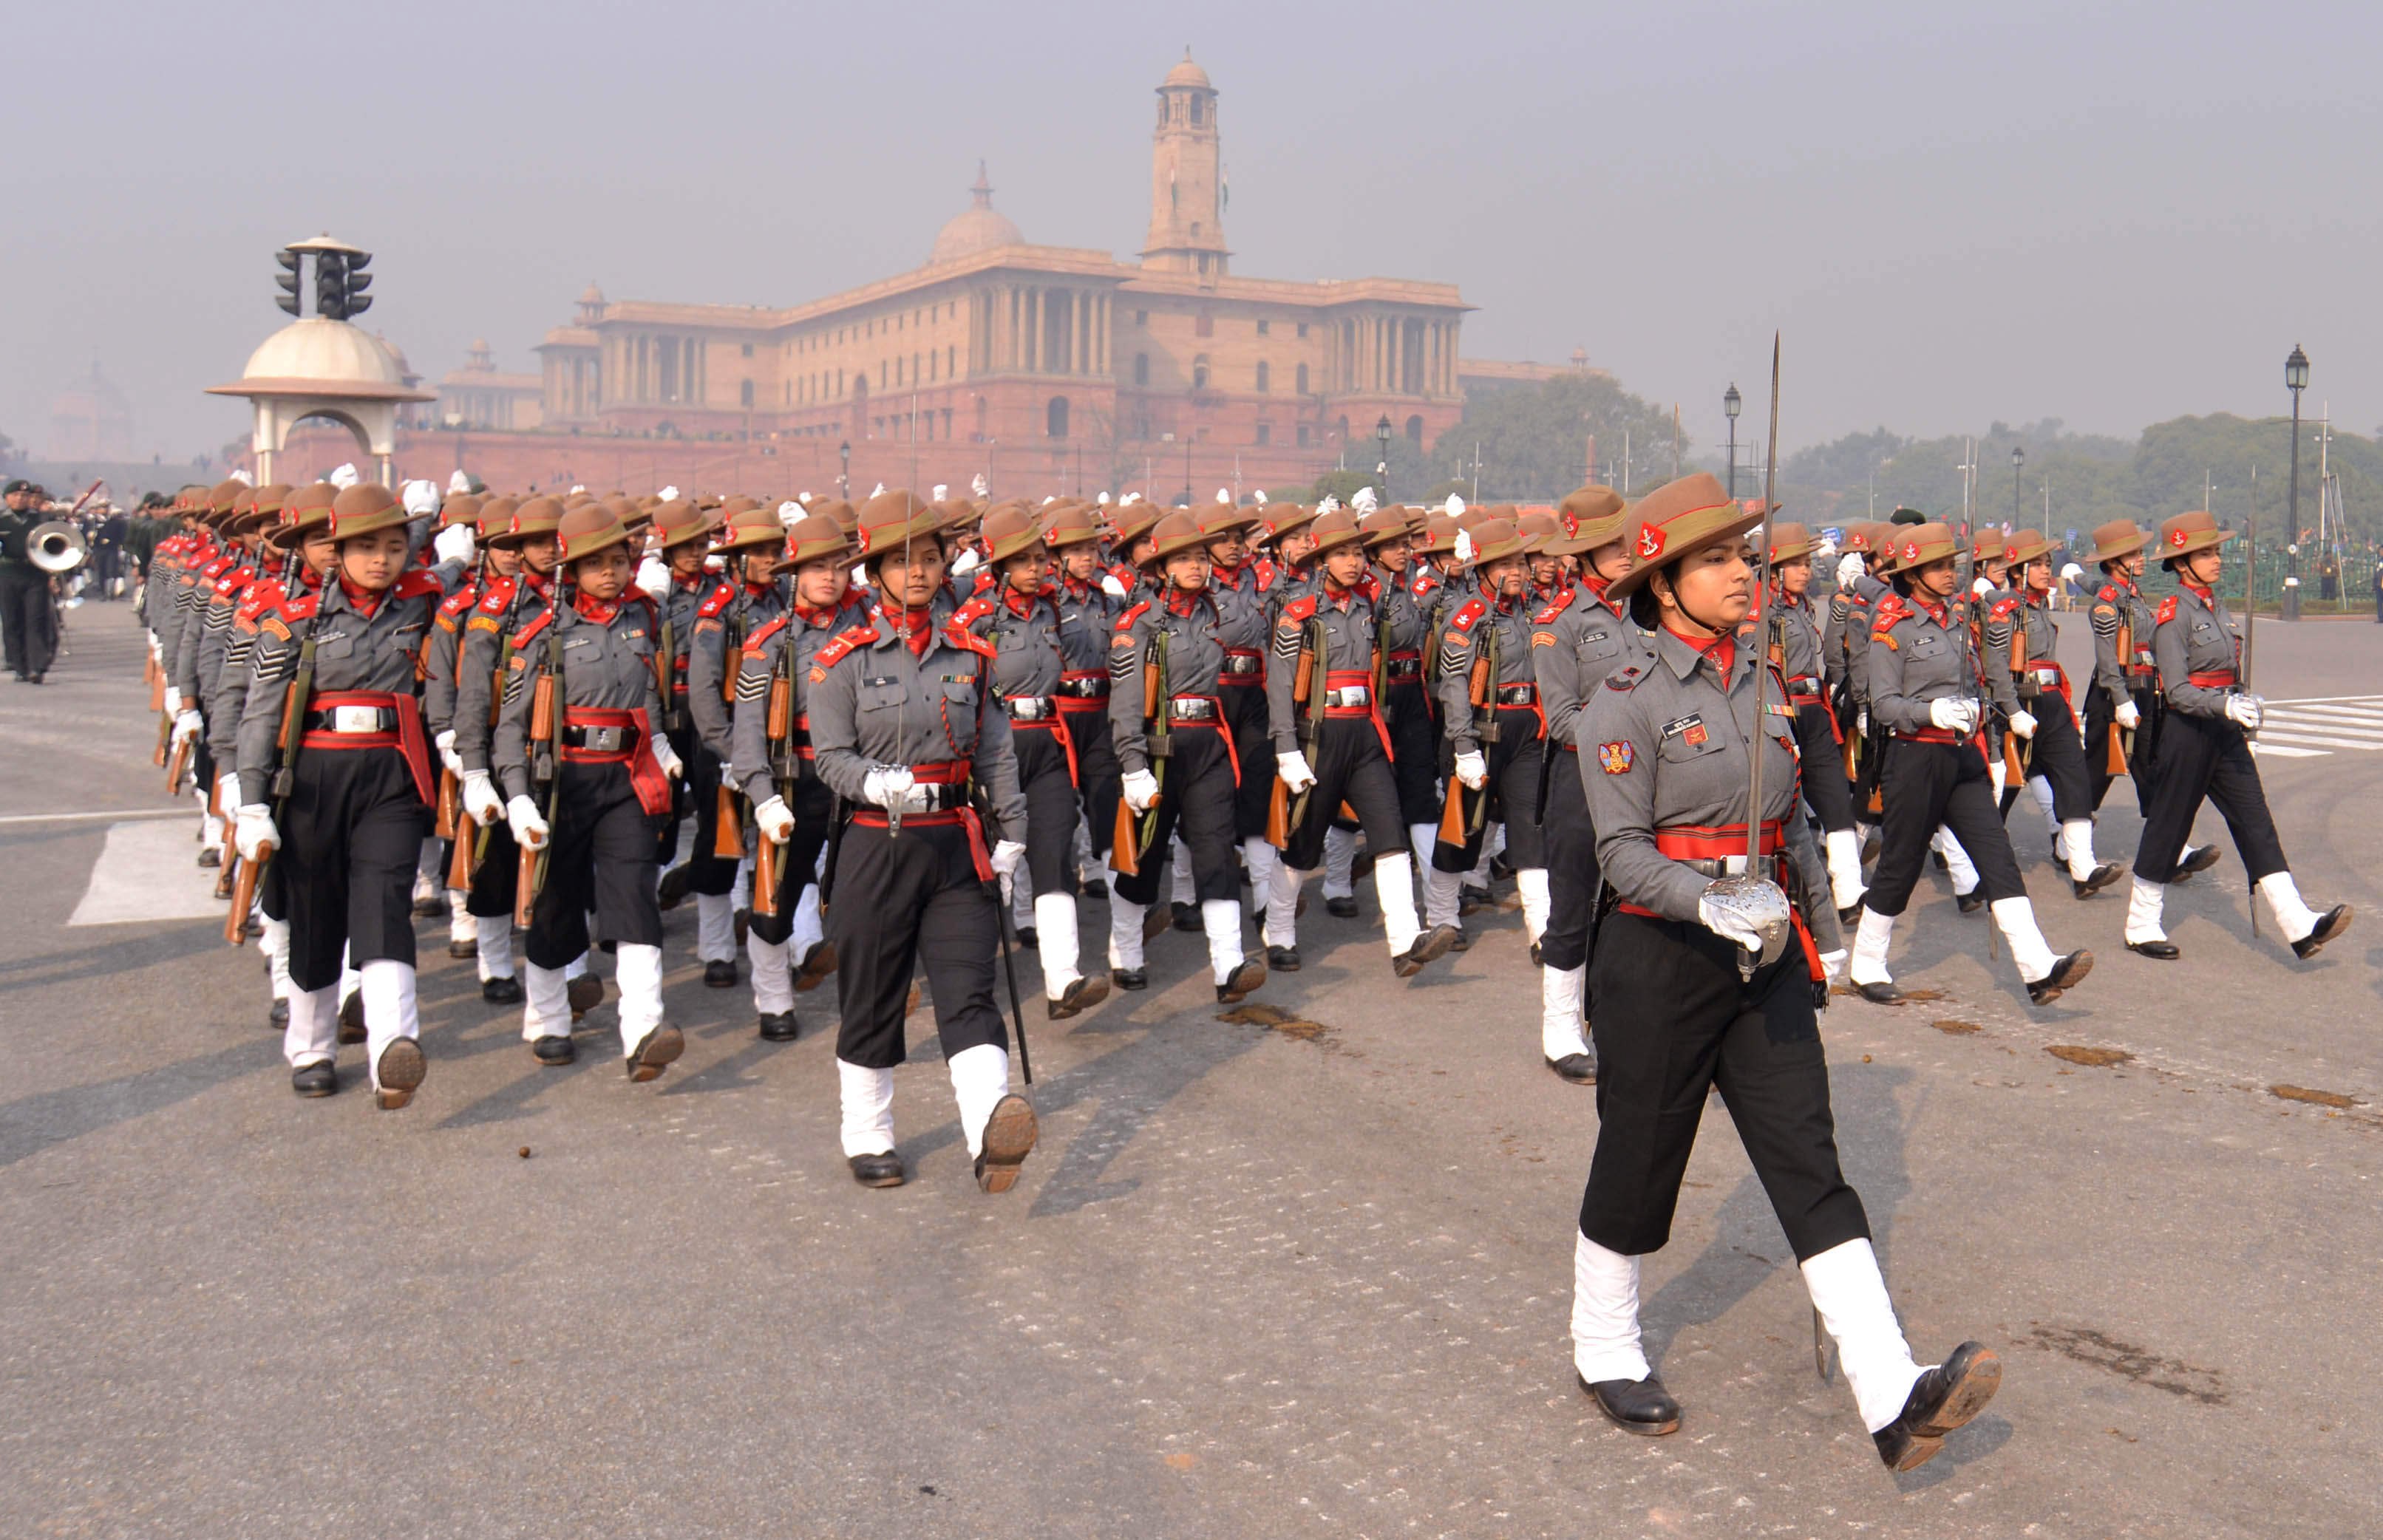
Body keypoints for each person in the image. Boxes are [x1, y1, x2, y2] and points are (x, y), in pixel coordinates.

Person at [1569, 472, 1997, 1472]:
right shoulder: (1622, 705)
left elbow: (1789, 823)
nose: (1742, 572)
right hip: (1658, 954)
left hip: (1763, 954)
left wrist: (1822, 932)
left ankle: (1893, 1394)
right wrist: (1704, 901)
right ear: (1662, 583)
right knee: (1640, 1154)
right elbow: (1621, 853)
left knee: (1810, 1158)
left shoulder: (1767, 687)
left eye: (1746, 555)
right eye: (1716, 558)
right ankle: (1604, 1347)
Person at [805, 489, 1036, 1192]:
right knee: (872, 992)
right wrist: (875, 784)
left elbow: (995, 751)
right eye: (902, 562)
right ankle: (869, 1133)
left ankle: (990, 1132)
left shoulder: (971, 653)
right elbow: (829, 756)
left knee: (969, 987)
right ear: (873, 574)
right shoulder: (840, 659)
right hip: (877, 843)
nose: (919, 573)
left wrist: (1014, 834)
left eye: (931, 560)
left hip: (954, 843)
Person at [231, 483, 447, 1108]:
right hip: (313, 777)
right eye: (364, 547)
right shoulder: (292, 617)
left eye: (393, 546)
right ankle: (313, 1045)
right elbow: (260, 713)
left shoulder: (425, 603)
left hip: (393, 771)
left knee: (385, 899)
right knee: (315, 911)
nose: (381, 560)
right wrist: (250, 801)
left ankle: (392, 1047)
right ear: (336, 551)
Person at [1846, 522, 2092, 1006]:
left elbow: (1981, 677)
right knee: (1899, 864)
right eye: (1937, 566)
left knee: (1996, 857)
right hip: (1915, 757)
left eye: (1951, 565)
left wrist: (1983, 710)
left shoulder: (1961, 619)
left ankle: (2037, 966)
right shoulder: (1891, 627)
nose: (1950, 574)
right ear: (1912, 574)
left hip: (1963, 757)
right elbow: (1884, 705)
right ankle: (1866, 962)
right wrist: (1930, 711)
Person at [492, 502, 687, 1078]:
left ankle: (643, 1029)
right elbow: (510, 724)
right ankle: (550, 1016)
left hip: (627, 775)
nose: (610, 572)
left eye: (618, 560)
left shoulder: (644, 618)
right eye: (594, 563)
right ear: (569, 571)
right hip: (563, 779)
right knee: (557, 899)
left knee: (633, 892)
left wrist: (665, 751)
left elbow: (648, 695)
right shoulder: (542, 633)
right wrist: (516, 794)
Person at [2121, 510, 2353, 961]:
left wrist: (2244, 707)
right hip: (2188, 732)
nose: (2217, 560)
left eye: (2216, 551)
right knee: (2169, 826)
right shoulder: (2172, 617)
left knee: (2256, 820)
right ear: (2182, 563)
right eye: (2206, 553)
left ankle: (2297, 922)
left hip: (2225, 730)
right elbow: (2178, 690)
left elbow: (2228, 672)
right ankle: (2140, 923)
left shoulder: (2216, 606)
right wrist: (2223, 704)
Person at [1262, 508, 1458, 977]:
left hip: (1366, 735)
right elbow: (1280, 684)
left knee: (1390, 834)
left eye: (1356, 553)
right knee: (1302, 841)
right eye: (1342, 553)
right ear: (1321, 560)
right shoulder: (1299, 615)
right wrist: (1286, 748)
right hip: (1319, 736)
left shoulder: (1371, 604)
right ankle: (1279, 930)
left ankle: (1405, 941)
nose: (1353, 562)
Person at [953, 505, 1111, 1018]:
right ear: (997, 566)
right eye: (1022, 560)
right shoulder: (974, 618)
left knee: (1053, 850)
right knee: (984, 860)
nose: (1037, 568)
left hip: (1047, 740)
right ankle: (969, 977)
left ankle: (1062, 980)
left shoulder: (1053, 610)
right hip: (995, 747)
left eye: (1041, 558)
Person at [1106, 511, 1268, 1002]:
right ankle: (1128, 950)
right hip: (1158, 749)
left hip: (1208, 746)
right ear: (1159, 569)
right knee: (1144, 853)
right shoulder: (1138, 624)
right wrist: (1132, 766)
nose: (1196, 566)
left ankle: (1229, 966)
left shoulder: (1217, 615)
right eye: (1183, 558)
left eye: (1201, 557)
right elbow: (1127, 702)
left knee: (1216, 850)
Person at [1528, 485, 1645, 1083]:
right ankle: (1561, 1030)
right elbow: (1562, 715)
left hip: (1647, 775)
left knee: (1640, 902)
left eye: (1624, 540)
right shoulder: (1556, 624)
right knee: (1572, 904)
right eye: (1608, 545)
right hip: (1583, 773)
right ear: (1580, 554)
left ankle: (1624, 1017)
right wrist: (1623, 743)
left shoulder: (1650, 608)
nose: (1624, 553)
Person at [736, 511, 866, 1040]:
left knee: (865, 894)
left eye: (837, 566)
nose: (829, 577)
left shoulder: (869, 630)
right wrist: (762, 796)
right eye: (816, 567)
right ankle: (773, 1000)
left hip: (856, 777)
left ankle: (865, 997)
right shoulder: (768, 643)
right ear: (793, 574)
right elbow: (748, 732)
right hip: (795, 778)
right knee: (776, 898)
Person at [1429, 517, 1550, 953]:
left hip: (1527, 734)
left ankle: (1542, 929)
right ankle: (1442, 915)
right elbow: (1454, 684)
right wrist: (1463, 746)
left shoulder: (1533, 609)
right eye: (1505, 564)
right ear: (1481, 571)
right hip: (1481, 733)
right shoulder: (1469, 616)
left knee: (1529, 826)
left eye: (1520, 562)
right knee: (1463, 828)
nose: (1516, 571)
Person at [1982, 530, 2124, 897]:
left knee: (2074, 779)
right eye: (2040, 565)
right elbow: (1995, 666)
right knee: (2004, 789)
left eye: (2049, 564)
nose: (2048, 571)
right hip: (2019, 703)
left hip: (2051, 702)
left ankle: (2083, 868)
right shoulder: (2005, 611)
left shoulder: (2041, 606)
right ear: (2019, 570)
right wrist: (2012, 710)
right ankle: (1978, 869)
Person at [1761, 521, 1867, 915]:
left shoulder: (1802, 604)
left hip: (1814, 709)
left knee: (1836, 797)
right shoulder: (1761, 608)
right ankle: (1792, 887)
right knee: (1782, 802)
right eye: (1796, 564)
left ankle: (1849, 891)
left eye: (1807, 563)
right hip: (1779, 709)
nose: (1806, 571)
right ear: (1775, 569)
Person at [0, 478, 60, 682]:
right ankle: (20, 666)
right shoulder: (1, 520)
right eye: (16, 495)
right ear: (6, 498)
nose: (20, 499)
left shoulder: (41, 520)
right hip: (7, 575)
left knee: (36, 620)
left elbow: (55, 548)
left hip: (35, 575)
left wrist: (53, 575)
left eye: (25, 496)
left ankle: (38, 666)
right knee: (12, 621)